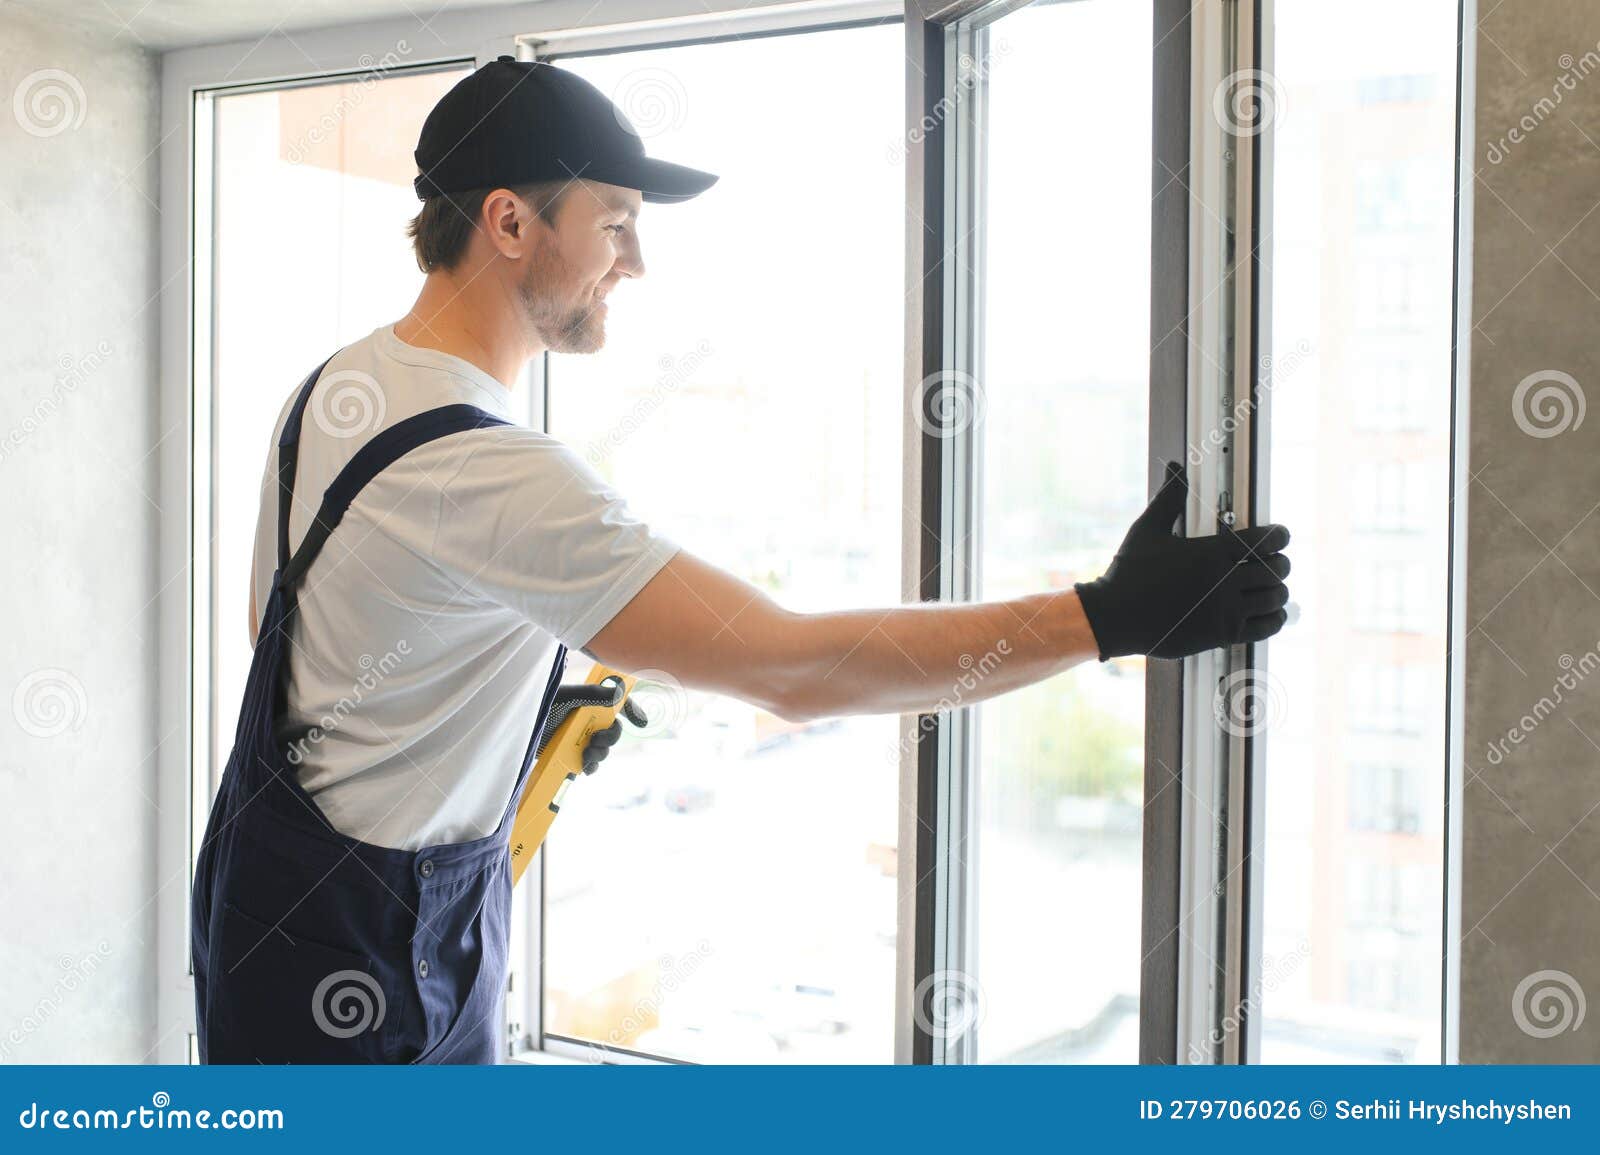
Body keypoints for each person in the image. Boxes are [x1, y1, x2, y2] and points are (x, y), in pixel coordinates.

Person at [191, 58, 1292, 1065]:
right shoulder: (494, 476)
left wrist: (482, 696)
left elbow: (286, 635)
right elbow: (792, 669)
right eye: (615, 222)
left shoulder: (335, 390)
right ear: (510, 220)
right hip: (384, 973)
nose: (635, 261)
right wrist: (1107, 616)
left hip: (269, 915)